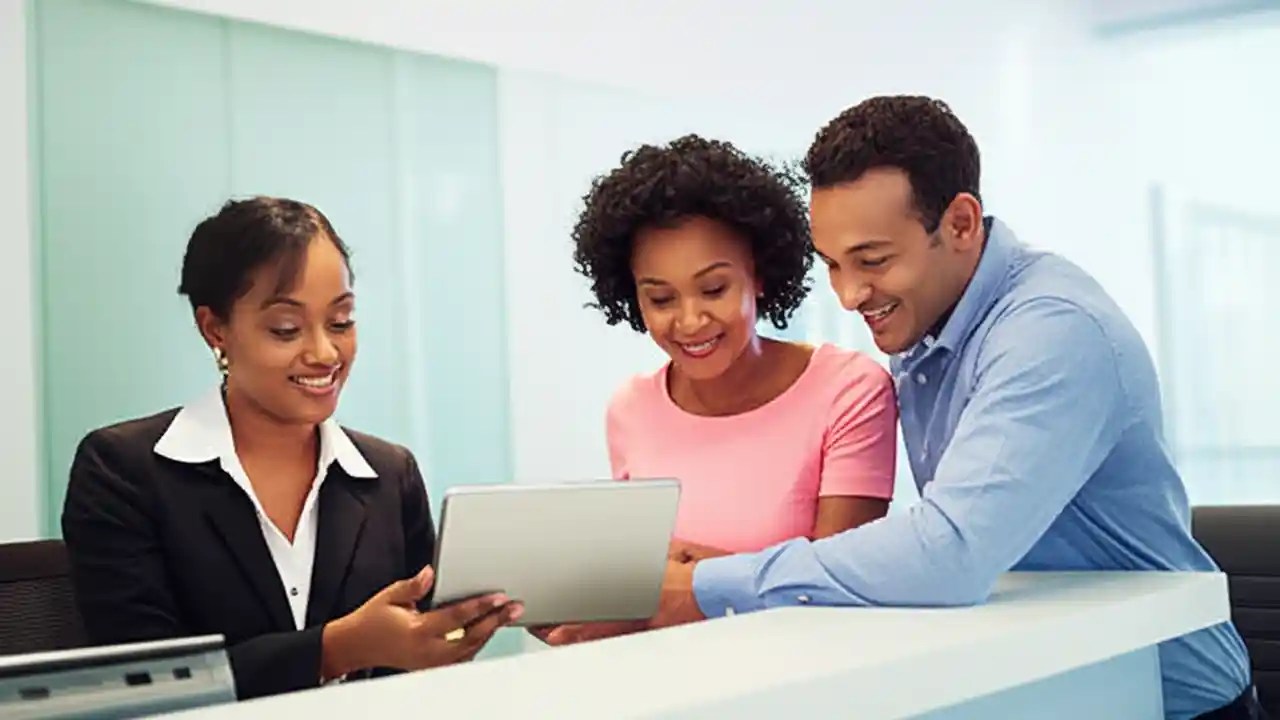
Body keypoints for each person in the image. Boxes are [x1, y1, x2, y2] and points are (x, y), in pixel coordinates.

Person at [544, 98, 1260, 719]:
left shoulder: (1052, 333)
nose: (850, 295)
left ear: (960, 222)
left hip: (1161, 697)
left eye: (873, 259)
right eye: (832, 264)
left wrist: (699, 585)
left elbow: (948, 552)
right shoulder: (924, 321)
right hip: (1039, 685)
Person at [61, 197, 521, 701]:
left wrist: (450, 637)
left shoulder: (390, 475)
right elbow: (145, 686)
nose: (324, 353)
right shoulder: (123, 471)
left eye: (341, 322)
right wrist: (337, 649)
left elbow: (418, 670)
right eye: (286, 329)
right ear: (215, 329)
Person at [570, 134, 897, 560]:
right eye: (661, 298)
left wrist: (697, 577)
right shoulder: (630, 408)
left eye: (713, 288)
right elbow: (641, 581)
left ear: (757, 276)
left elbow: (840, 582)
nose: (690, 321)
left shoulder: (849, 392)